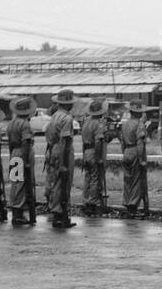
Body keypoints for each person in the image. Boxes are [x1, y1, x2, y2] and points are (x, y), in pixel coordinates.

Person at [45, 88, 77, 228]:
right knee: (63, 183)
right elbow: (64, 142)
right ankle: (60, 214)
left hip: (52, 149)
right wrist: (64, 164)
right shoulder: (67, 118)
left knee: (55, 181)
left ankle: (55, 211)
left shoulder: (55, 116)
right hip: (62, 151)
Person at [7, 97, 38, 226]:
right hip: (22, 153)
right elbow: (25, 142)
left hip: (14, 153)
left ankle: (16, 210)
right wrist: (25, 161)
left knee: (15, 182)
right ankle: (19, 212)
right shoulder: (25, 124)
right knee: (22, 183)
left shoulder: (12, 123)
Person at [120, 101, 149, 218]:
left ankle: (127, 204)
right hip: (135, 151)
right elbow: (140, 143)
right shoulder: (140, 124)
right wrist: (141, 159)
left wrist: (125, 153)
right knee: (136, 181)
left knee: (127, 180)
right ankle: (132, 207)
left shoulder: (125, 124)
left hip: (126, 151)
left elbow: (122, 141)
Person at [81, 99, 108, 216]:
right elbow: (98, 142)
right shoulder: (99, 124)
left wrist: (83, 155)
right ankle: (92, 204)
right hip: (94, 152)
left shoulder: (86, 122)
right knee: (95, 178)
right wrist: (99, 158)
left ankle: (86, 201)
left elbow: (83, 141)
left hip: (86, 151)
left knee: (87, 178)